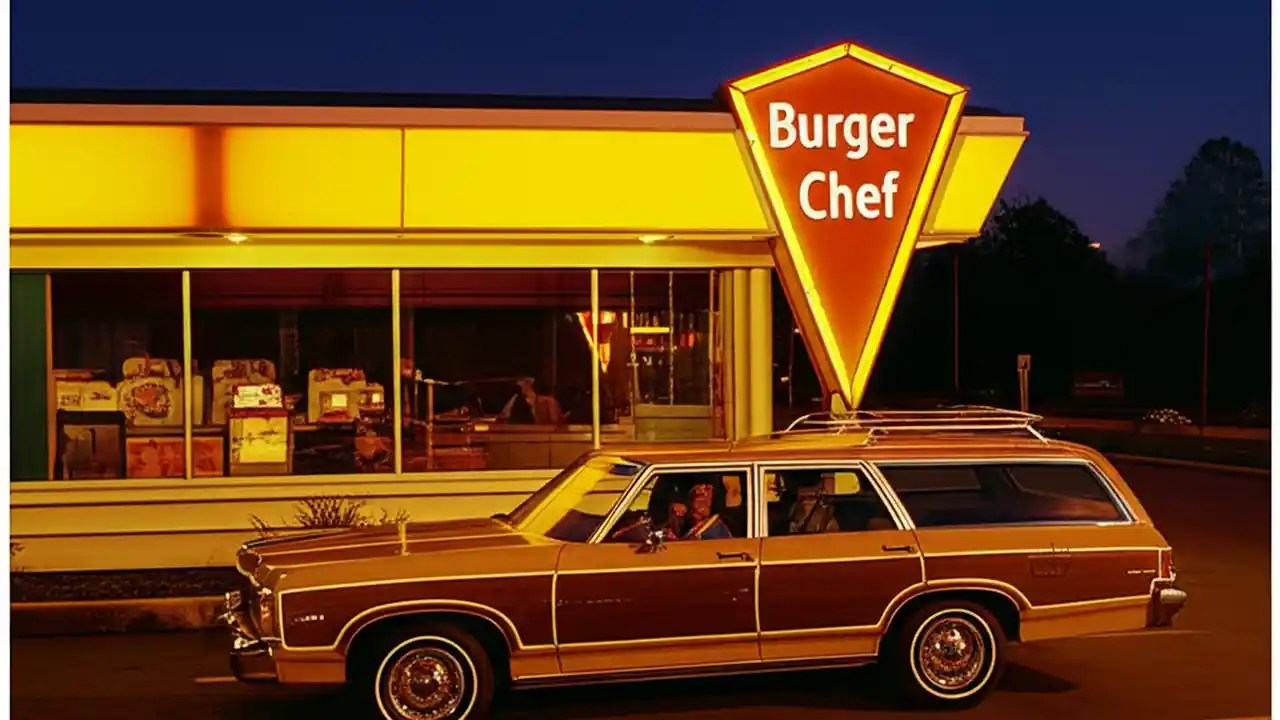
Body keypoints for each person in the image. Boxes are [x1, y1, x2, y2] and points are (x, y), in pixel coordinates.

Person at [498, 378, 565, 425]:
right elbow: (504, 418)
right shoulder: (516, 400)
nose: (520, 384)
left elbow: (555, 422)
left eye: (523, 382)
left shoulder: (548, 402)